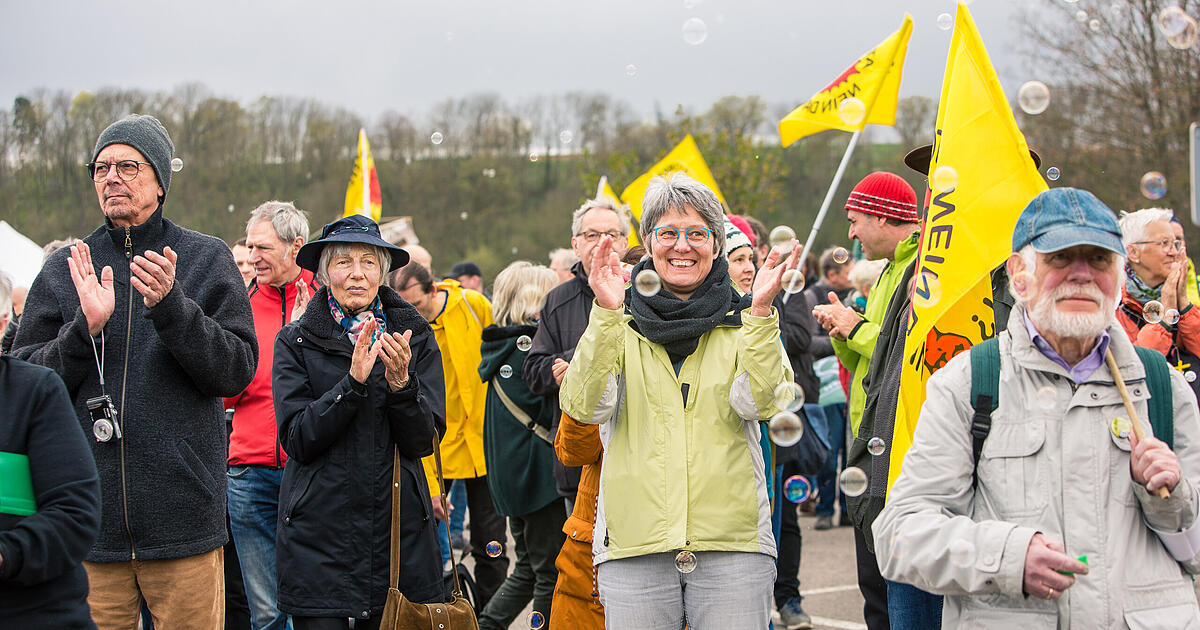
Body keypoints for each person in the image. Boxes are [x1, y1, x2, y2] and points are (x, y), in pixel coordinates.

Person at [874, 187, 1200, 627]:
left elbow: (1194, 549)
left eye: (1099, 259)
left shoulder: (1162, 386)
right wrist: (1005, 557)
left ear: (1119, 276)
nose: (1081, 274)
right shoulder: (968, 382)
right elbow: (900, 536)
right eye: (1061, 258)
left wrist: (1170, 497)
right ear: (1019, 273)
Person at [12, 114, 257, 629]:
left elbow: (236, 370)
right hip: (87, 524)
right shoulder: (65, 268)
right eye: (101, 168)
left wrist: (172, 307)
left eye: (128, 165)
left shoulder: (205, 259)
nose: (111, 178)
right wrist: (85, 332)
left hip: (183, 517)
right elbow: (24, 381)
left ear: (161, 181)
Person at [559, 172, 800, 628]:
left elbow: (766, 404)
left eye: (697, 233)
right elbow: (586, 407)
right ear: (649, 242)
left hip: (732, 546)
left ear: (717, 244)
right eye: (668, 232)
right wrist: (607, 313)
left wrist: (763, 313)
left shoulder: (745, 320)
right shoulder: (619, 320)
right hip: (635, 545)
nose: (682, 246)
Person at [272, 214, 444, 629]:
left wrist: (402, 385)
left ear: (382, 273)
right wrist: (351, 385)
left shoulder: (412, 335)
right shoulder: (296, 339)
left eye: (368, 262)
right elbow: (297, 438)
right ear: (326, 272)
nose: (356, 274)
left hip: (397, 536)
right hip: (320, 536)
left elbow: (426, 440)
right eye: (343, 262)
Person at [811, 171, 922, 630]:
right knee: (873, 586)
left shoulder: (921, 268)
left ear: (882, 217)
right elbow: (868, 362)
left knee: (893, 591)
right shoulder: (889, 270)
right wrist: (842, 329)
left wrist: (853, 327)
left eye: (856, 220)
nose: (851, 233)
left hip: (898, 450)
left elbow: (908, 352)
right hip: (869, 441)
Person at [391, 261, 509, 608]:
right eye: (402, 306)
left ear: (433, 290)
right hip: (433, 448)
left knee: (491, 542)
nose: (409, 314)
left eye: (414, 305)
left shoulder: (474, 306)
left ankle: (489, 617)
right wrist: (430, 488)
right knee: (422, 539)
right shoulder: (402, 330)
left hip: (483, 445)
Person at [223, 201, 313, 630]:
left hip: (312, 471)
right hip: (250, 473)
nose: (252, 257)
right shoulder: (236, 306)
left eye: (262, 247)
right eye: (249, 247)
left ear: (296, 247)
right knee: (268, 613)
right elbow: (223, 392)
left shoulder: (327, 301)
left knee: (321, 604)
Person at [0, 271, 102, 630]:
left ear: (1, 324)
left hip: (33, 614)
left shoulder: (34, 392)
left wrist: (6, 554)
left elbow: (75, 515)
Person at [524, 198, 630, 515]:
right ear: (576, 244)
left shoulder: (643, 291)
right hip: (579, 458)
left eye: (612, 234)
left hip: (632, 452)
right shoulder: (558, 299)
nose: (603, 243)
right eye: (592, 235)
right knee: (580, 561)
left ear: (625, 242)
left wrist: (578, 361)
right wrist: (558, 370)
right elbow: (533, 370)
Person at [476, 261, 567, 629]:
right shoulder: (529, 351)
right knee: (549, 572)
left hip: (514, 476)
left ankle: (486, 625)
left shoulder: (501, 346)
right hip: (540, 476)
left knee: (528, 567)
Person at [1116, 208, 1200, 396]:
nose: (1173, 252)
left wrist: (1184, 304)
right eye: (1164, 244)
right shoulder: (1114, 306)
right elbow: (1134, 370)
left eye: (1175, 244)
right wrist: (1165, 318)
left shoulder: (1187, 299)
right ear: (1133, 252)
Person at [803, 247, 856, 532]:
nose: (853, 275)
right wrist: (841, 339)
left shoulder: (857, 295)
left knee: (851, 451)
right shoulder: (812, 296)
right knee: (829, 448)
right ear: (832, 274)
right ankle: (825, 508)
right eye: (848, 271)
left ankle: (848, 510)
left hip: (849, 382)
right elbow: (808, 342)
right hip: (825, 387)